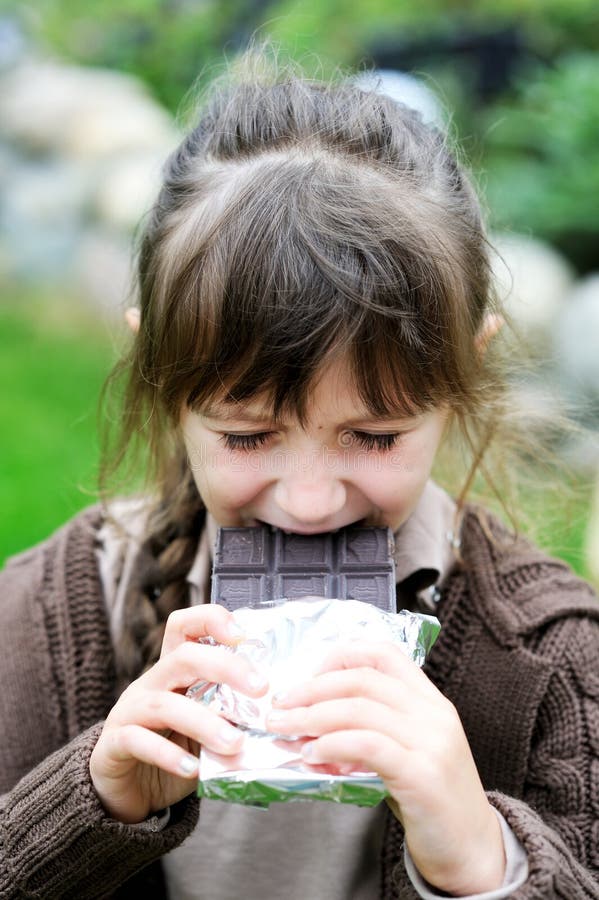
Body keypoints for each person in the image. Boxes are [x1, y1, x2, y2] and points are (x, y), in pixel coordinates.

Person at [1, 53, 598, 900]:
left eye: (373, 434)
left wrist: (481, 862)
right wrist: (84, 807)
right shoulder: (38, 621)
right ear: (161, 372)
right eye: (248, 438)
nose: (310, 501)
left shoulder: (553, 664)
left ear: (466, 368)